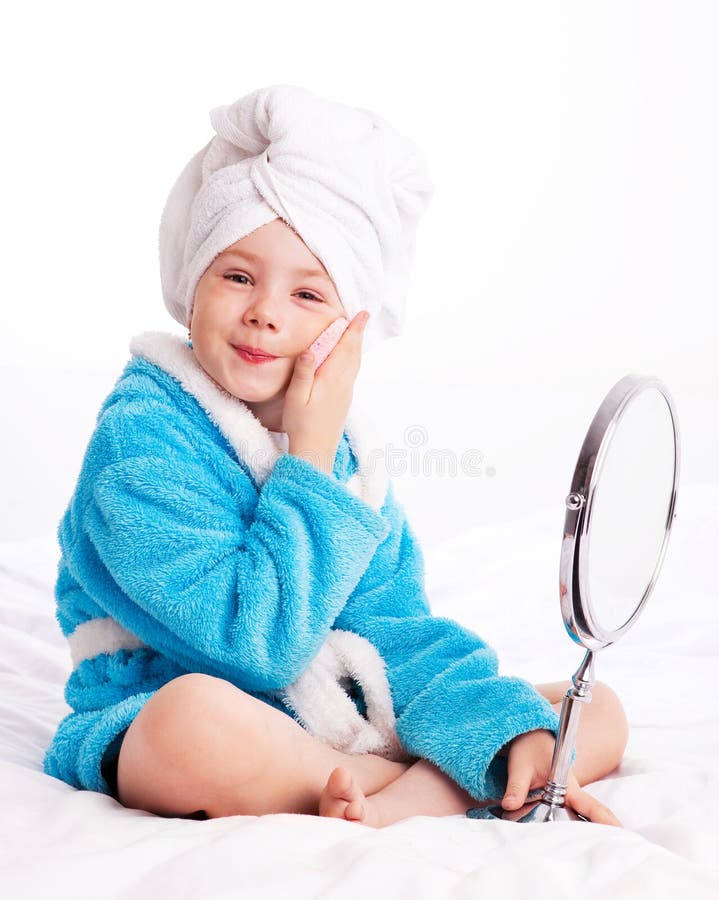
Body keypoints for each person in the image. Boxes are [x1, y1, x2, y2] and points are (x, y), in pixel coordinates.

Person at [43, 84, 627, 828]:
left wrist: (497, 726)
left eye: (308, 295)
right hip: (178, 706)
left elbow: (394, 630)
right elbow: (250, 648)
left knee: (591, 709)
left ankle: (429, 781)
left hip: (323, 715)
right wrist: (308, 462)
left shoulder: (353, 461)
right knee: (188, 726)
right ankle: (419, 787)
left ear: (349, 333)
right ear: (191, 284)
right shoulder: (141, 439)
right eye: (238, 276)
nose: (265, 311)